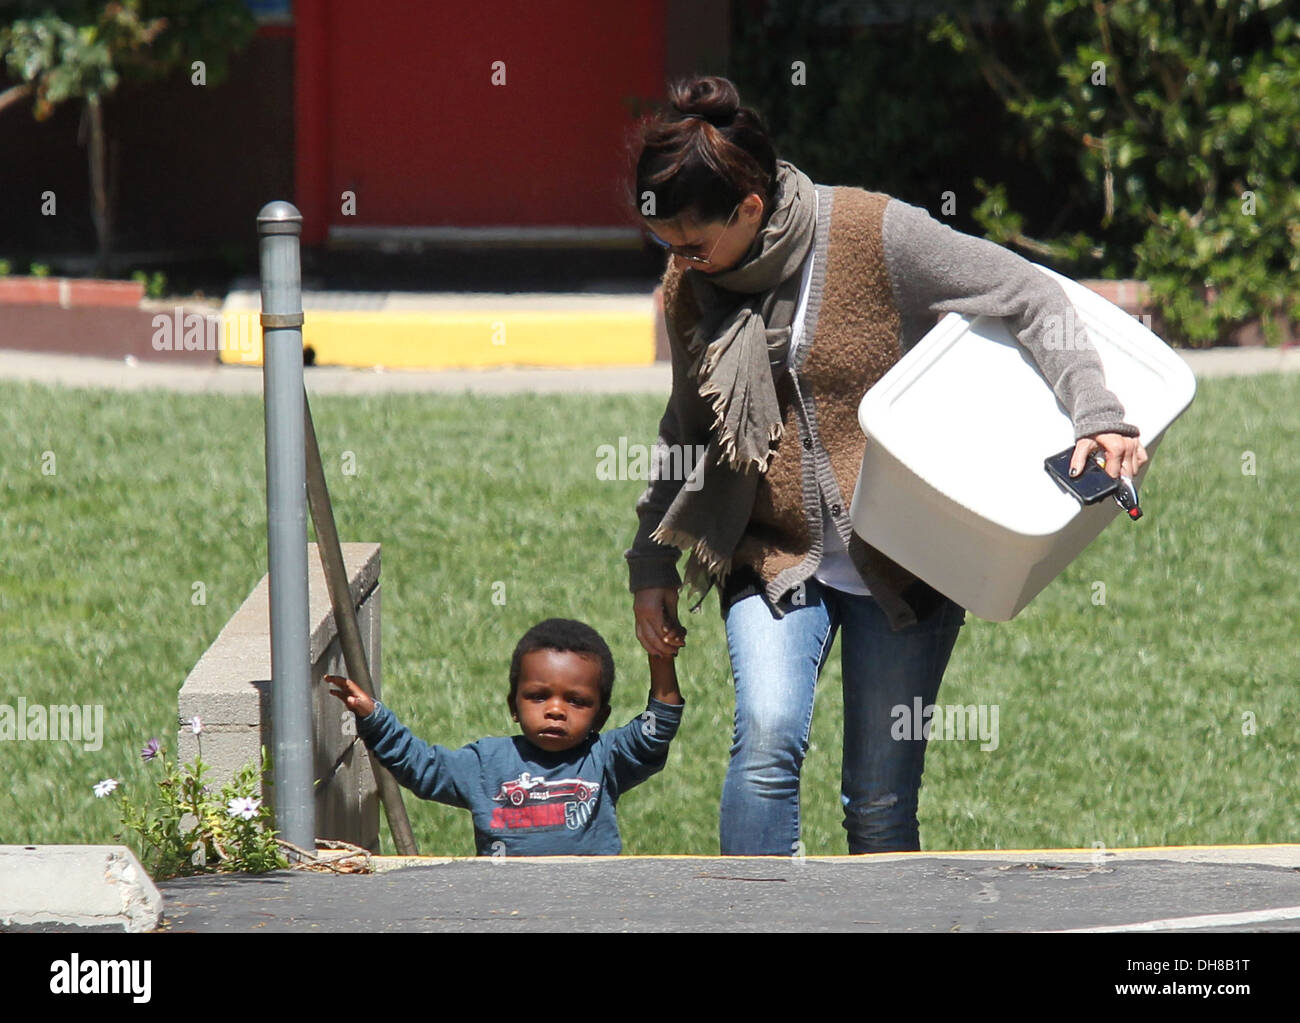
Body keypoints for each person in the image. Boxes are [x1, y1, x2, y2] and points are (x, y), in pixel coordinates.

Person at [624, 75, 1148, 856]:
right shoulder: (691, 286)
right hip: (773, 553)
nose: (681, 261)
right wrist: (650, 557)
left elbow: (1026, 292)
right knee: (764, 742)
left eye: (694, 243)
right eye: (668, 245)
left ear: (751, 210)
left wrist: (1097, 412)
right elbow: (689, 424)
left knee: (877, 802)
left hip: (909, 558)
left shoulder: (872, 233)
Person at [326, 617, 685, 855]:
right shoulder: (486, 763)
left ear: (600, 716)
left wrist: (661, 660)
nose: (556, 709)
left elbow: (655, 732)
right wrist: (374, 718)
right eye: (539, 696)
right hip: (502, 909)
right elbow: (423, 767)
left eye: (576, 701)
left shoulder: (605, 758)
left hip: (592, 909)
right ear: (513, 705)